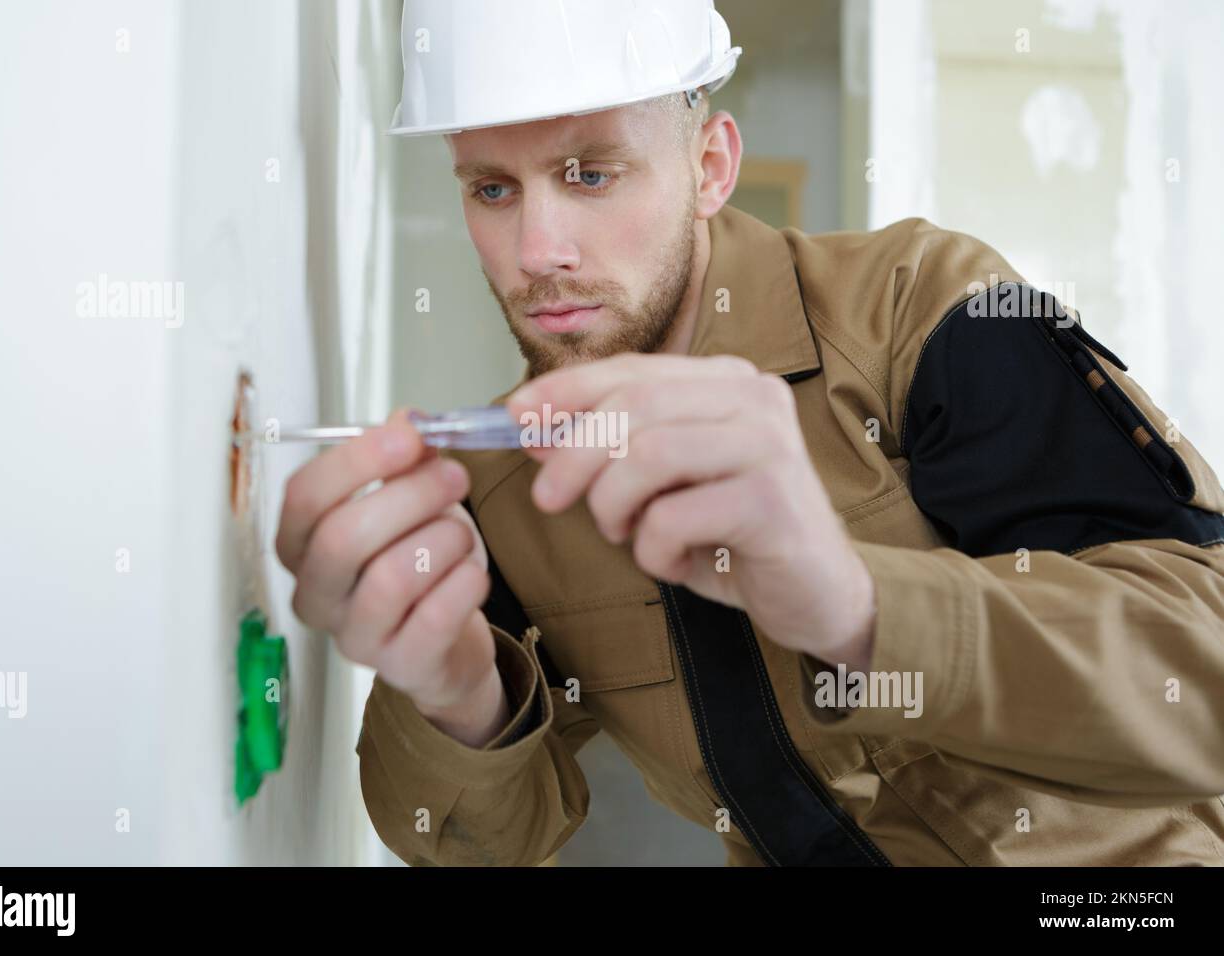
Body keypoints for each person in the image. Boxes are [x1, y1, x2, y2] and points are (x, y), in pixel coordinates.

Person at [276, 0, 1224, 866]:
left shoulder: (926, 312)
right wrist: (456, 700)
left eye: (590, 173)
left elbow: (1202, 676)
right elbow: (475, 843)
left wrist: (858, 607)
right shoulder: (504, 496)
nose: (538, 253)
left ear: (711, 166)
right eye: (491, 189)